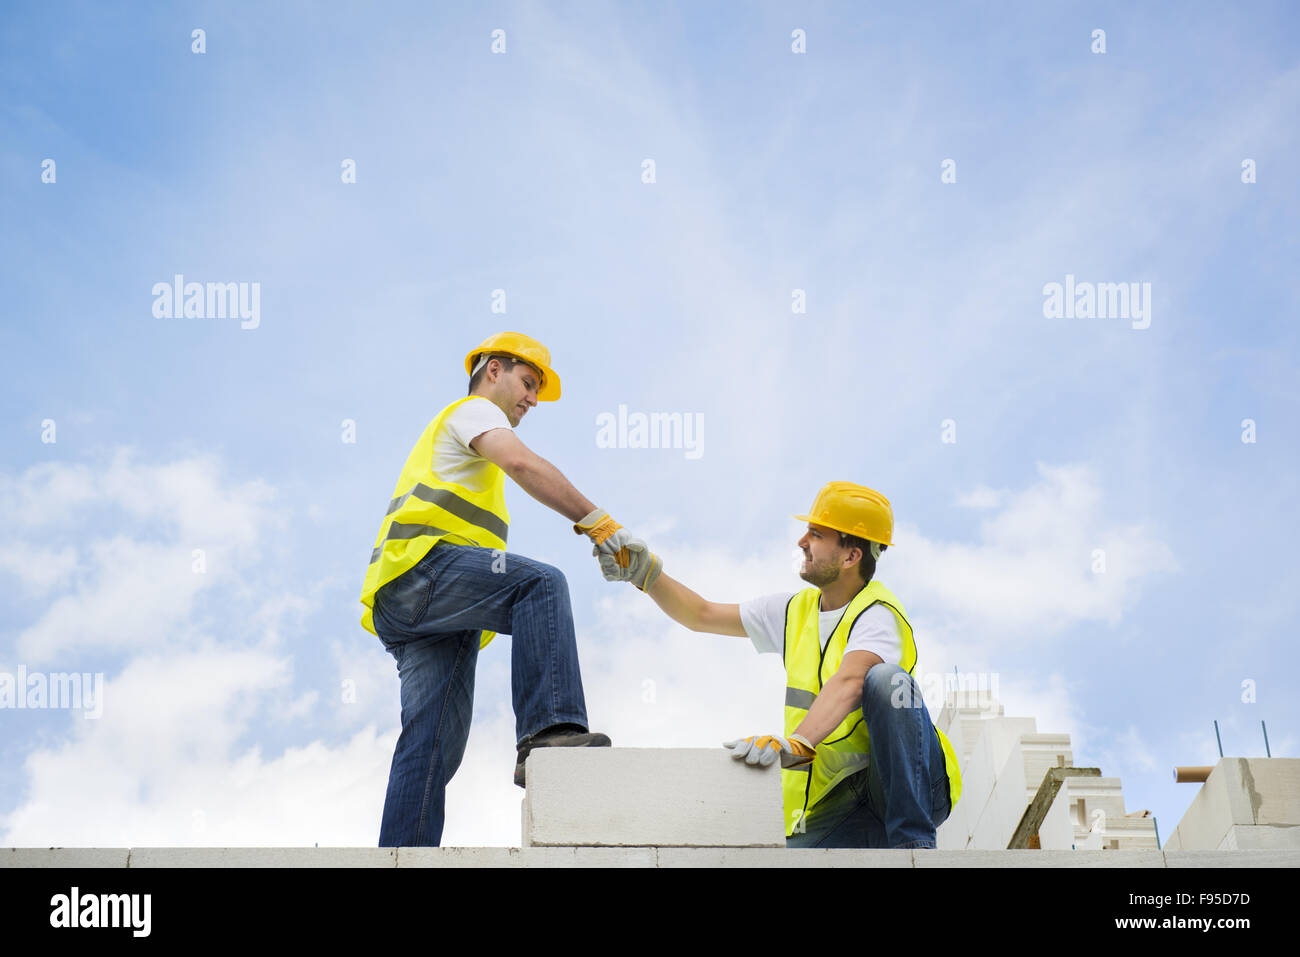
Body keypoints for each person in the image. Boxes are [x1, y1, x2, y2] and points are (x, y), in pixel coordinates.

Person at [360, 331, 636, 847]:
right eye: (528, 383)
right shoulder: (473, 412)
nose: (532, 399)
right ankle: (549, 733)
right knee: (540, 586)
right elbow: (522, 463)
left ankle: (402, 855)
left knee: (432, 742)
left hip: (421, 603)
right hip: (423, 573)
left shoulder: (467, 435)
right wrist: (598, 523)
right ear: (493, 371)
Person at [598, 481, 962, 849]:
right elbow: (701, 614)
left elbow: (851, 680)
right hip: (846, 801)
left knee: (887, 680)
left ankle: (914, 848)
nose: (802, 541)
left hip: (911, 785)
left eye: (816, 534)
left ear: (851, 556)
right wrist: (644, 573)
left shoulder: (877, 613)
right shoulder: (793, 611)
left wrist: (797, 743)